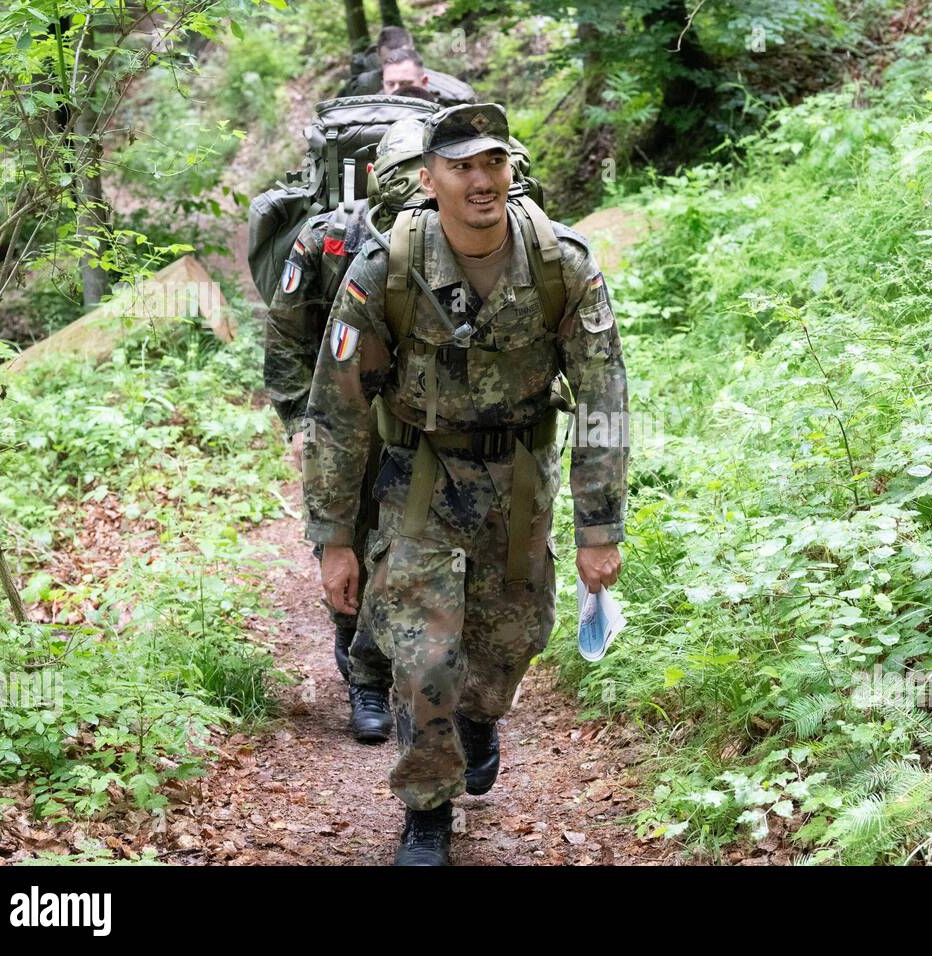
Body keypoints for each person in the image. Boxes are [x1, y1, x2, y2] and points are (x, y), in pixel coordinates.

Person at [302, 103, 629, 865]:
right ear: (428, 180)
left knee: (508, 641)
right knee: (423, 658)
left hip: (521, 485)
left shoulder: (563, 266)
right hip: (419, 478)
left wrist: (599, 527)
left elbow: (604, 399)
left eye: (494, 163)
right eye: (462, 167)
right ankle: (426, 815)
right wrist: (333, 541)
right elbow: (337, 411)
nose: (482, 181)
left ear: (510, 170)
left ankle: (482, 719)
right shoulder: (385, 269)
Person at [264, 197, 395, 744]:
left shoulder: (453, 236)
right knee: (346, 535)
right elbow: (286, 332)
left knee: (411, 541)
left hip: (420, 417)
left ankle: (392, 673)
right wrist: (299, 418)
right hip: (337, 414)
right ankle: (358, 656)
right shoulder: (327, 238)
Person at [340, 25, 475, 105]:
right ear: (378, 54)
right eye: (389, 60)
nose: (396, 62)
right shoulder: (362, 84)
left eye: (405, 82)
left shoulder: (450, 88)